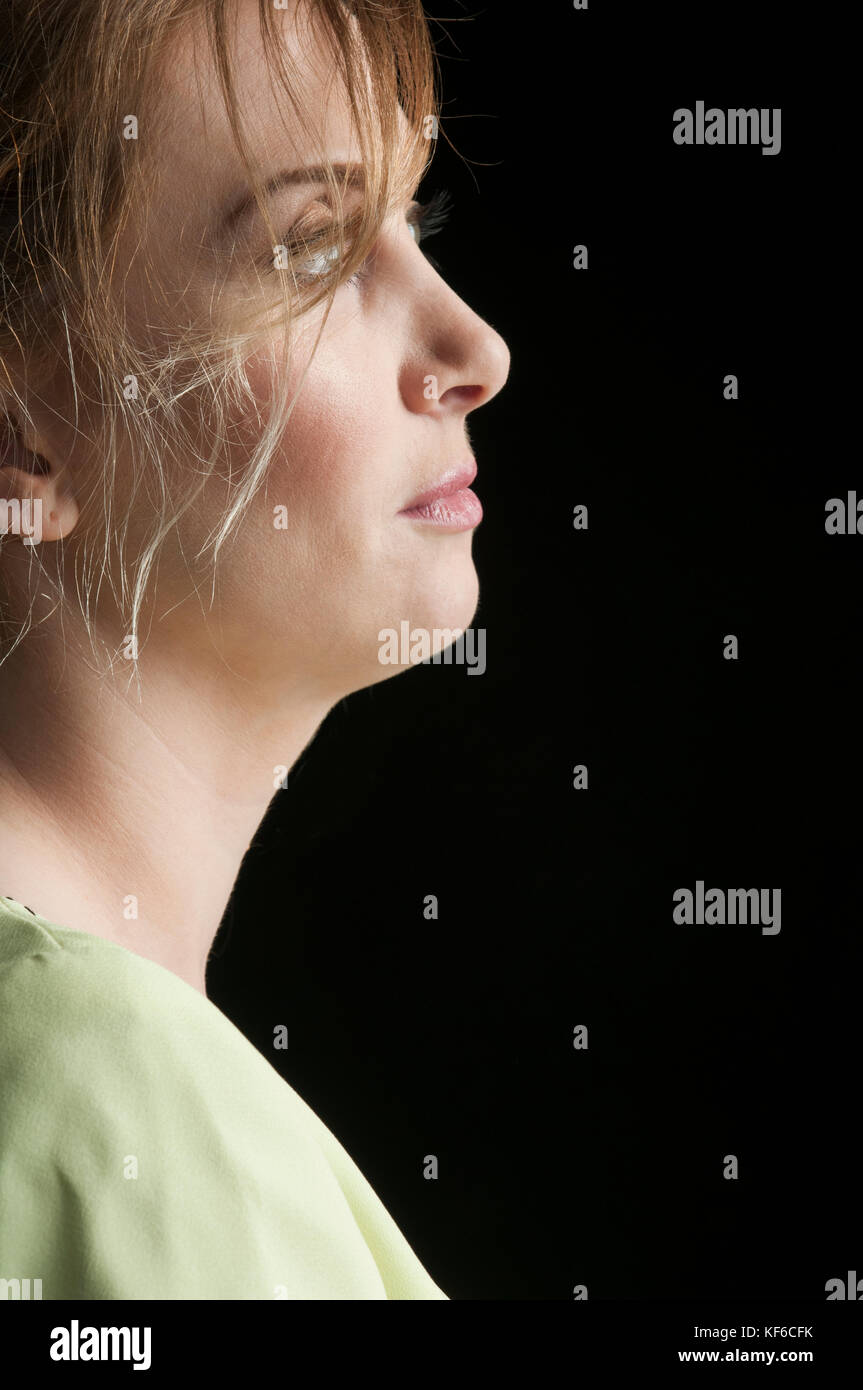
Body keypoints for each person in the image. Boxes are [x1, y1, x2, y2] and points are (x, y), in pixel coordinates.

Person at [0, 0, 509, 1299]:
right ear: (20, 429)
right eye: (313, 247)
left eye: (413, 223)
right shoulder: (115, 1101)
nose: (474, 352)